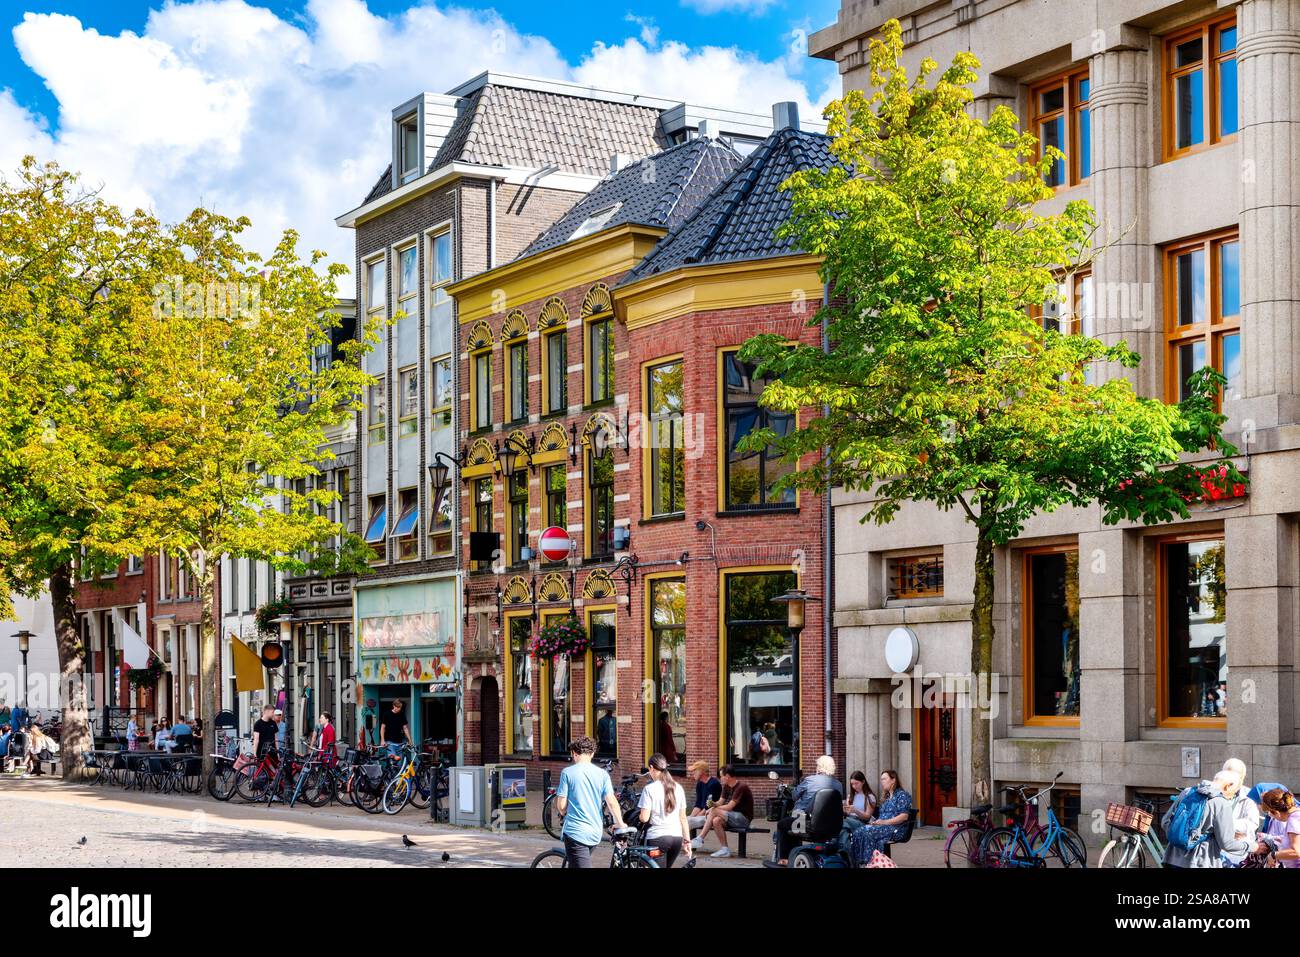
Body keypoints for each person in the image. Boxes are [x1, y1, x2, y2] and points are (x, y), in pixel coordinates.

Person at [555, 735, 628, 868]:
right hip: (595, 832)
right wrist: (620, 823)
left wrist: (563, 811)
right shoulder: (602, 774)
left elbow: (561, 806)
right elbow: (611, 802)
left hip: (576, 832)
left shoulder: (567, 773)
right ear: (592, 753)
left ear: (574, 753)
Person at [1161, 771, 1249, 868]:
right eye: (1234, 793)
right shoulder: (1221, 803)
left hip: (1172, 858)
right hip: (1201, 861)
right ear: (1229, 785)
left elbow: (1165, 822)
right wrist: (1250, 847)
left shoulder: (1187, 792)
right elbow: (1227, 844)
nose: (1232, 797)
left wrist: (1182, 836)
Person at [775, 755, 844, 864]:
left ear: (819, 767)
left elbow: (794, 796)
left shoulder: (809, 780)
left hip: (807, 822)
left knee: (783, 824)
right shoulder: (838, 785)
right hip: (832, 826)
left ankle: (785, 858)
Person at [638, 752, 692, 867]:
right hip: (676, 838)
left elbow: (644, 818)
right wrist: (687, 841)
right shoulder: (678, 788)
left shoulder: (649, 789)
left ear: (651, 768)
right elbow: (683, 818)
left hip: (657, 838)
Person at [851, 770, 913, 867]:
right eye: (881, 779)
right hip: (883, 827)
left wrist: (884, 822)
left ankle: (869, 863)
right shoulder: (887, 797)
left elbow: (904, 817)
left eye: (884, 779)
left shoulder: (902, 795)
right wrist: (876, 822)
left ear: (893, 780)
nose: (882, 781)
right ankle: (858, 863)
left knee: (867, 832)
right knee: (858, 831)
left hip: (896, 828)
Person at [696, 765, 754, 858]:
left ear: (727, 776)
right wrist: (713, 804)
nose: (720, 778)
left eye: (721, 776)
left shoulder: (741, 787)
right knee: (716, 821)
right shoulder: (727, 786)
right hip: (733, 816)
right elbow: (720, 802)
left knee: (714, 811)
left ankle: (700, 838)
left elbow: (729, 807)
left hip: (744, 819)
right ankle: (725, 850)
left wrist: (713, 809)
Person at [1220, 759, 1259, 866]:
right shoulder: (1214, 792)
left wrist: (1226, 826)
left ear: (1242, 777)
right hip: (1216, 850)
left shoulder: (1248, 795)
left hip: (1239, 852)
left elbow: (1253, 823)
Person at [1256, 788, 1300, 867]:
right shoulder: (1296, 816)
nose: (1270, 815)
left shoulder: (1293, 820)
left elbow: (1297, 851)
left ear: (1276, 812)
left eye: (1270, 813)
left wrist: (1273, 855)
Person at [686, 761, 723, 843]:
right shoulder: (699, 784)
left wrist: (695, 817)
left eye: (694, 771)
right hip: (702, 814)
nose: (693, 773)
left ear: (701, 771)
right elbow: (698, 804)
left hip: (709, 815)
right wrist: (691, 816)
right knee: (684, 819)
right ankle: (681, 842)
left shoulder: (714, 784)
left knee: (688, 822)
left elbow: (709, 806)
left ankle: (679, 843)